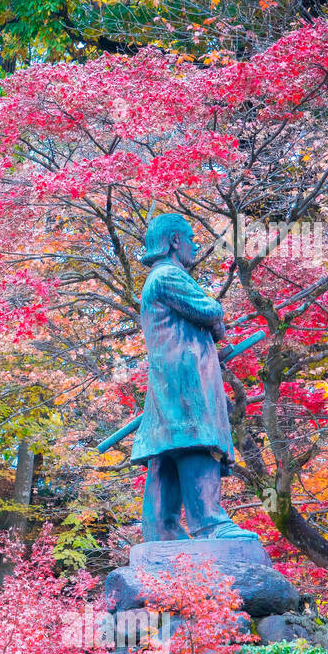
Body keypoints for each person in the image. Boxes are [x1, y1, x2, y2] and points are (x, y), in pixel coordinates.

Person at [131, 214, 258, 541]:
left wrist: (212, 324)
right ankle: (209, 524)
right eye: (190, 237)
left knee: (168, 450)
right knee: (192, 439)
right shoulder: (168, 275)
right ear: (174, 240)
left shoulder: (158, 280)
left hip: (172, 378)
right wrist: (214, 319)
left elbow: (206, 317)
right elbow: (210, 311)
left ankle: (162, 532)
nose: (195, 244)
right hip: (184, 379)